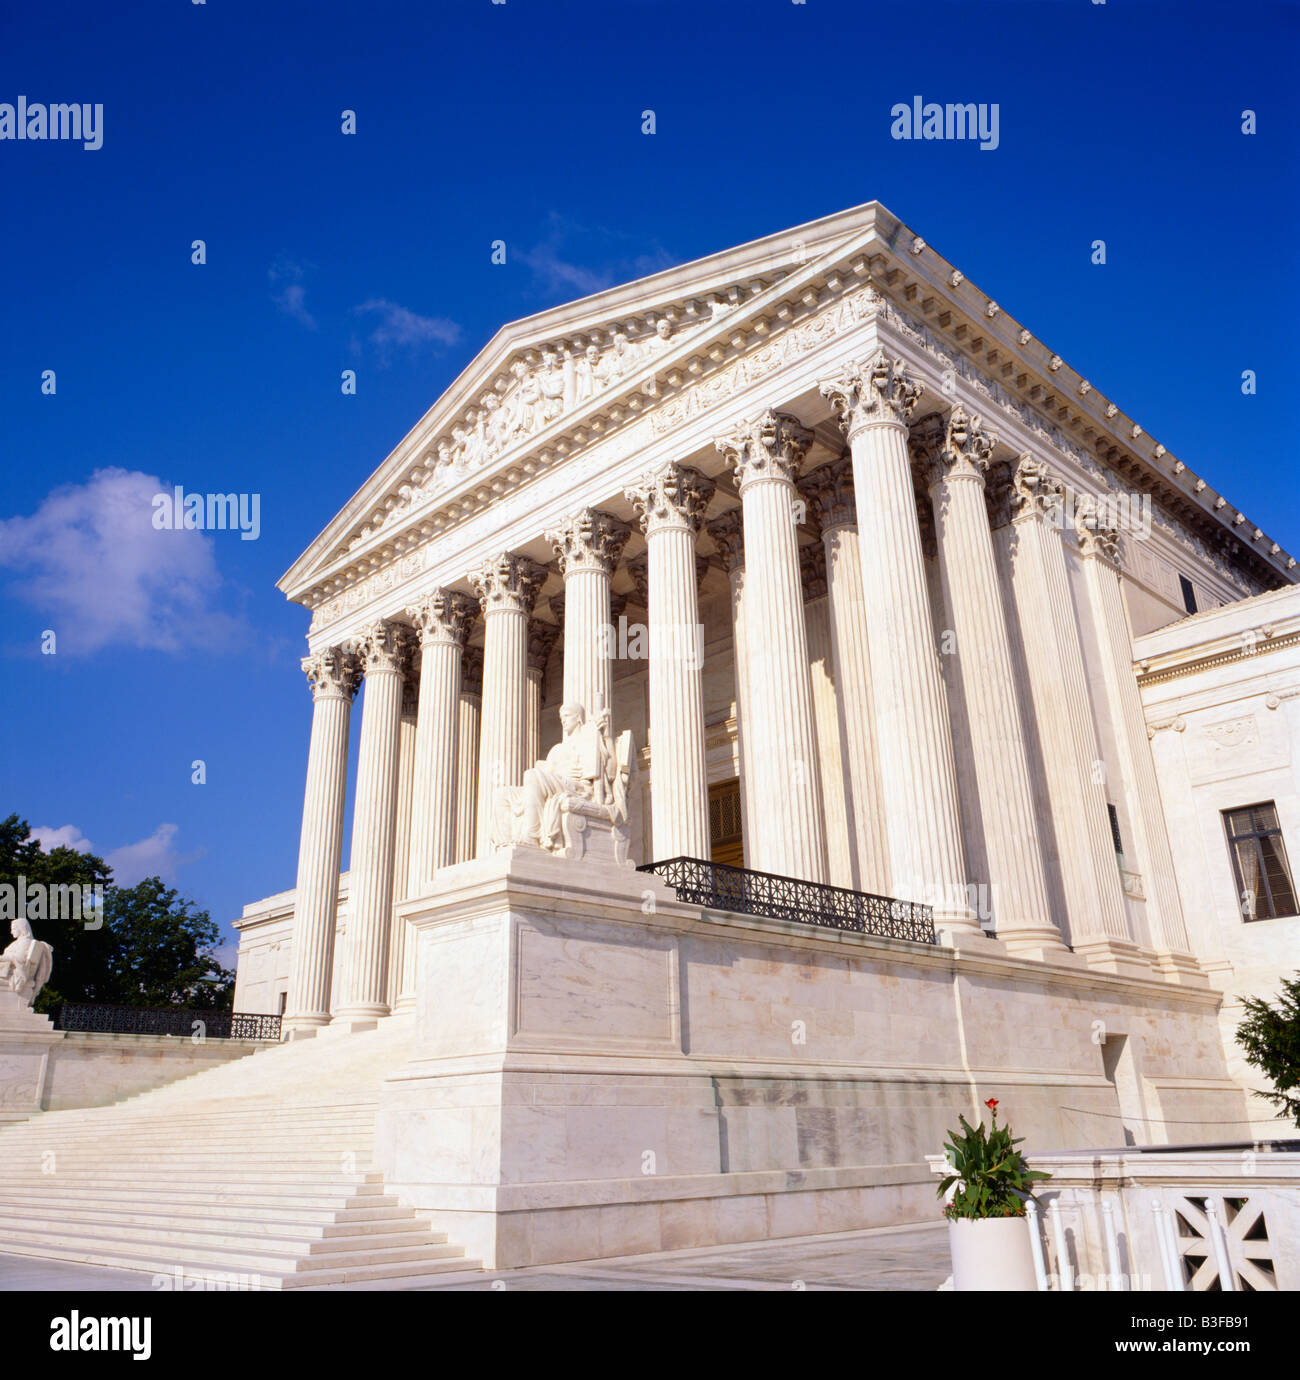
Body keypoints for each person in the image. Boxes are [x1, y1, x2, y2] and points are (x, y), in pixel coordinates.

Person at [0, 917, 54, 1006]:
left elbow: (20, 959)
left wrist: (2, 958)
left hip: (15, 975)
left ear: (21, 928)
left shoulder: (25, 942)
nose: (11, 932)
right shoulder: (18, 942)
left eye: (13, 929)